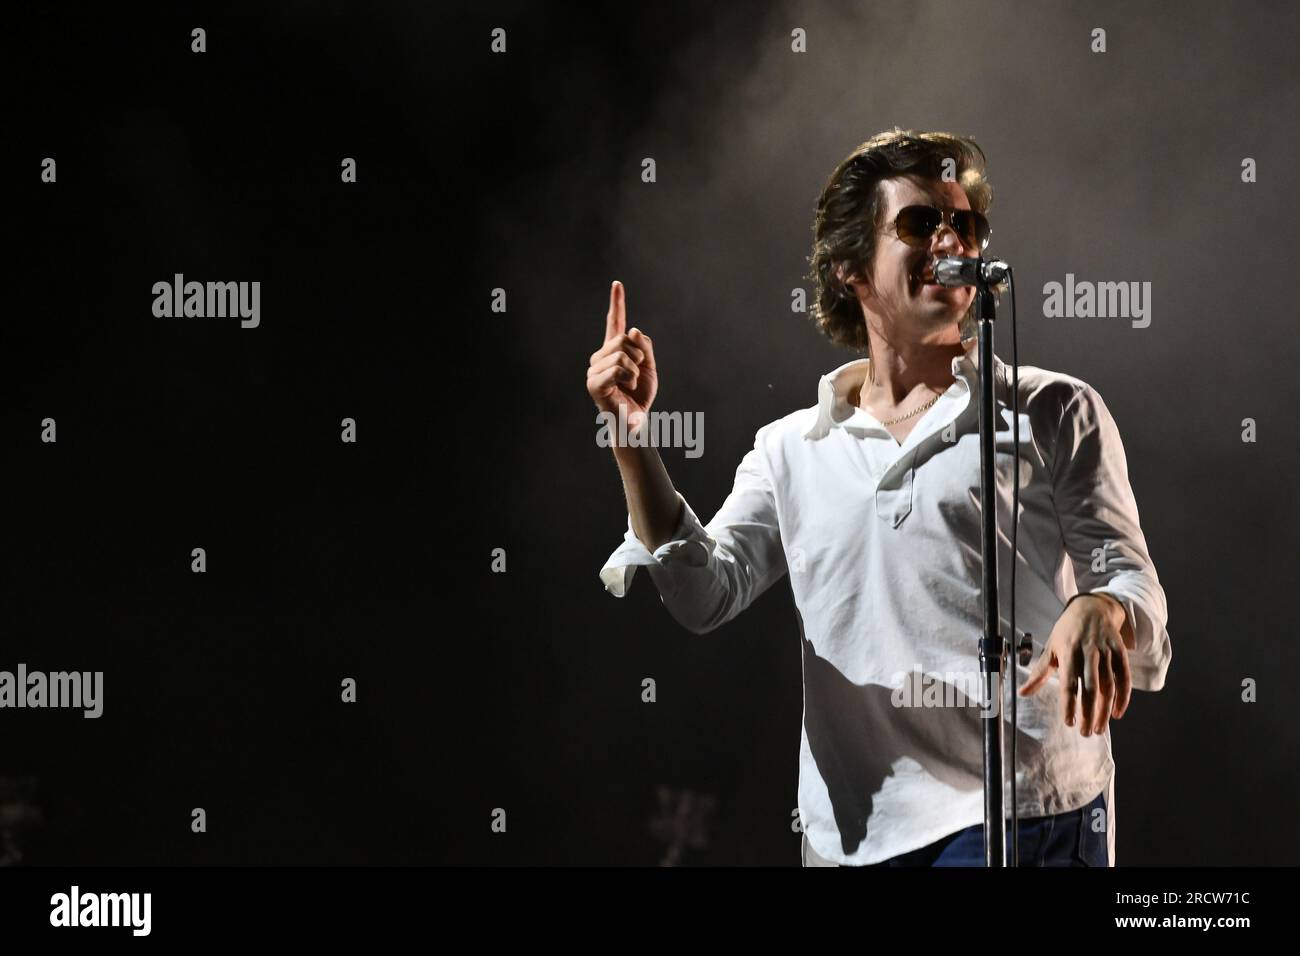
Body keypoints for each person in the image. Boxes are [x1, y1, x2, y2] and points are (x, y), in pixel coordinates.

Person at [586, 128, 1171, 866]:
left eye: (967, 223)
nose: (952, 238)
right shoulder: (791, 448)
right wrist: (632, 440)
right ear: (850, 270)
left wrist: (1102, 606)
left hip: (1024, 813)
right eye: (922, 222)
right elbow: (705, 594)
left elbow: (1135, 586)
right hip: (854, 838)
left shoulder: (1055, 411)